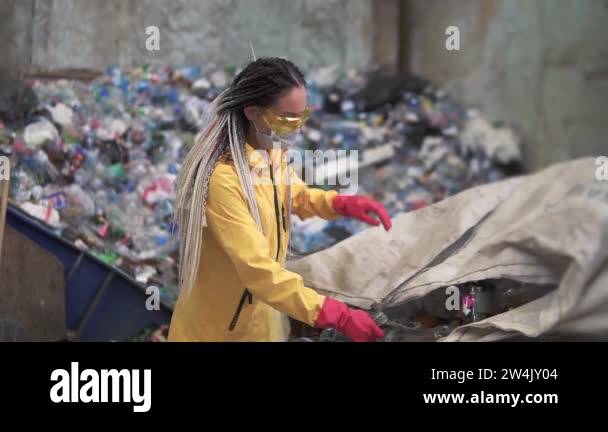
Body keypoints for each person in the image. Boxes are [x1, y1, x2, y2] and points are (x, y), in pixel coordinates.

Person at [169, 58, 392, 342]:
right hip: (216, 330)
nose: (297, 127)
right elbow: (258, 271)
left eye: (302, 116)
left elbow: (293, 195)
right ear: (252, 112)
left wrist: (341, 204)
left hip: (261, 320)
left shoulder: (271, 152)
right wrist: (337, 315)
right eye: (287, 118)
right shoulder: (223, 180)